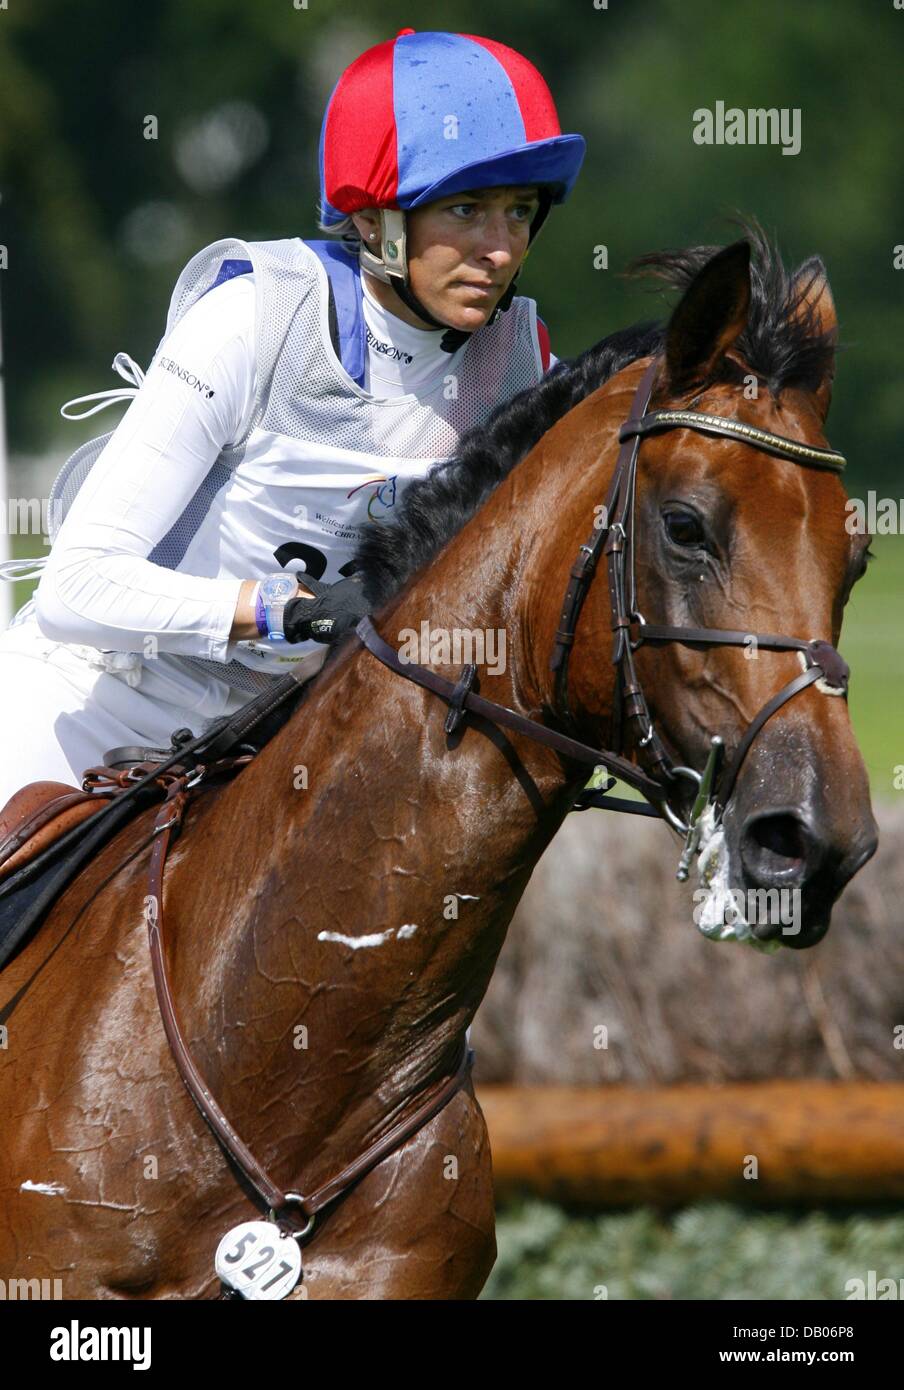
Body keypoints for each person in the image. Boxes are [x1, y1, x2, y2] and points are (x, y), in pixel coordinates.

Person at [0, 28, 585, 808]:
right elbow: (77, 586)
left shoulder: (518, 367)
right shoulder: (256, 317)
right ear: (375, 218)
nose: (500, 249)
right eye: (468, 209)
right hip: (94, 705)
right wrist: (282, 611)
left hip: (270, 748)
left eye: (519, 212)